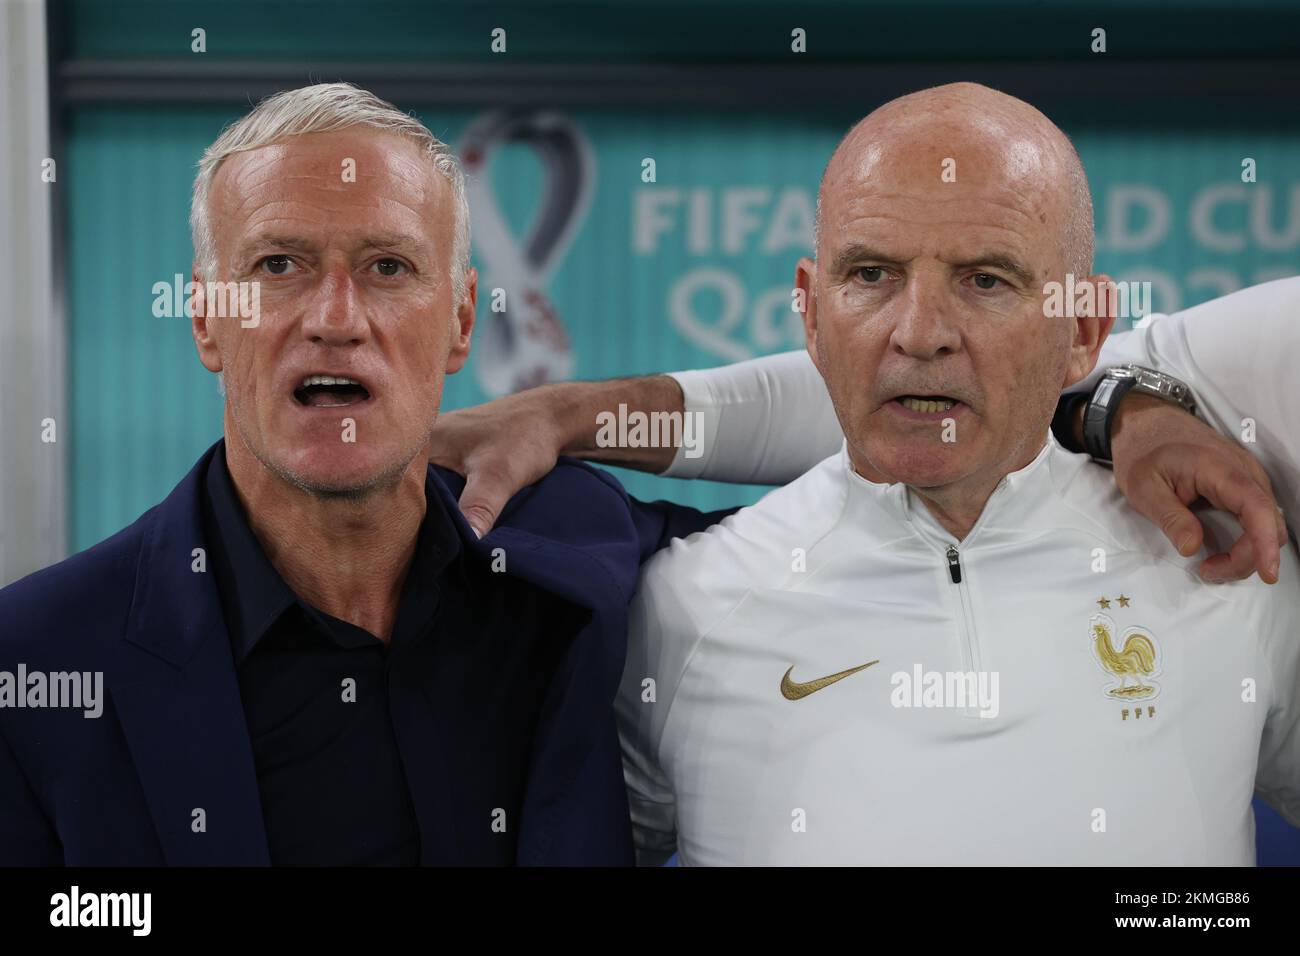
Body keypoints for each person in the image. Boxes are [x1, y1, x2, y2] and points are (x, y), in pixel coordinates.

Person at [428, 84, 1300, 865]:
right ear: (809, 312)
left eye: (985, 280)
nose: (919, 332)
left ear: (1083, 329)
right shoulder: (682, 607)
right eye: (872, 275)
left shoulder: (1233, 567)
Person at [0, 83, 718, 866]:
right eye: (279, 265)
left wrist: (574, 415)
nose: (336, 318)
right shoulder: (37, 658)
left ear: (462, 321)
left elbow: (866, 450)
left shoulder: (581, 542)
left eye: (388, 266)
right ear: (205, 318)